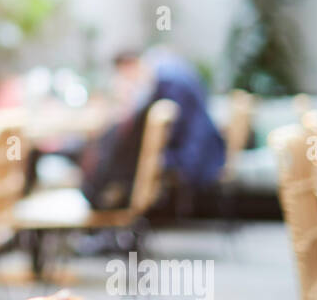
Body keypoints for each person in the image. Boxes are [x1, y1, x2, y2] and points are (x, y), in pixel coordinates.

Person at [80, 49, 224, 209]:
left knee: (107, 150)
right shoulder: (165, 70)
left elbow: (167, 133)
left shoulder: (166, 82)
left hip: (193, 155)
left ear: (128, 65)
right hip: (197, 147)